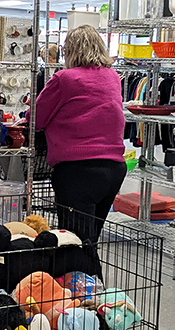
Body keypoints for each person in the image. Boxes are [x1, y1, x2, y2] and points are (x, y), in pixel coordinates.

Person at [35, 25, 125, 244]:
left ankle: (82, 278)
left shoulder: (64, 78)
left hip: (78, 170)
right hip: (113, 169)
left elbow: (37, 118)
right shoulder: (113, 76)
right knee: (89, 240)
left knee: (74, 244)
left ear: (71, 50)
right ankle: (94, 278)